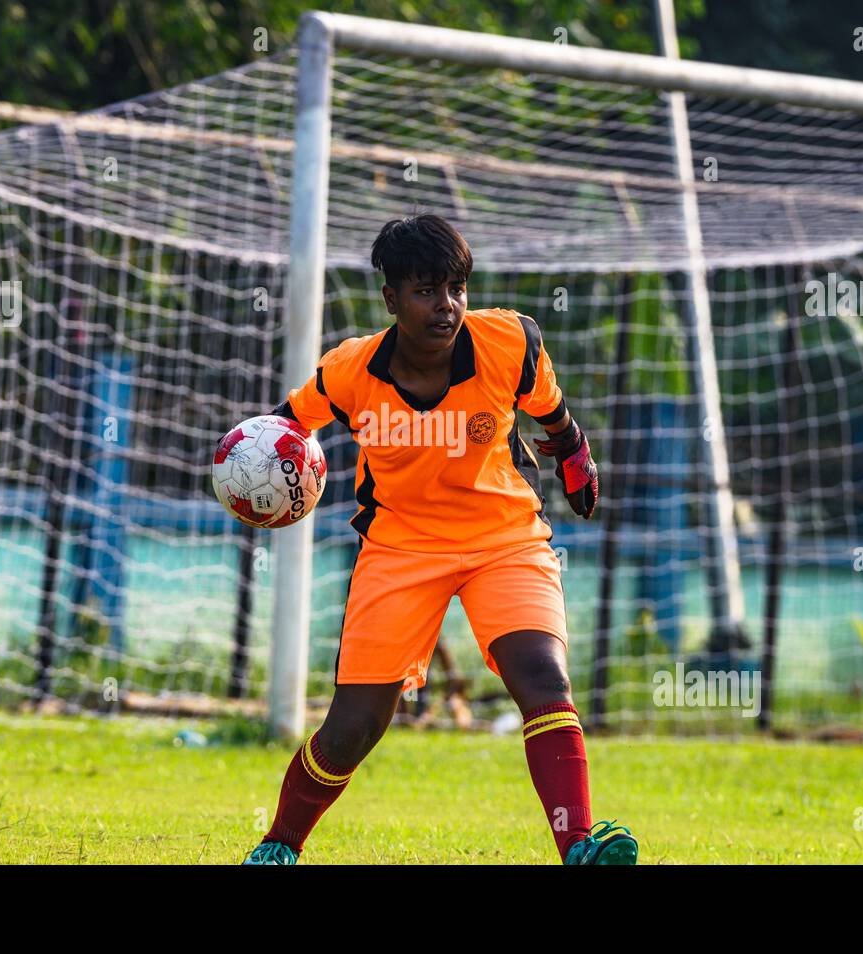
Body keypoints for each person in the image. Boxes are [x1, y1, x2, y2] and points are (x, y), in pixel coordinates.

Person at [243, 213, 637, 865]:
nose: (446, 305)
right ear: (391, 297)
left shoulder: (510, 342)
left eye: (456, 288)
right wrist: (254, 478)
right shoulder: (349, 371)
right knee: (352, 729)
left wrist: (573, 453)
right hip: (399, 550)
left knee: (543, 679)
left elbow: (553, 415)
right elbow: (280, 433)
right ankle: (278, 846)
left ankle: (579, 847)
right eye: (426, 290)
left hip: (504, 538)